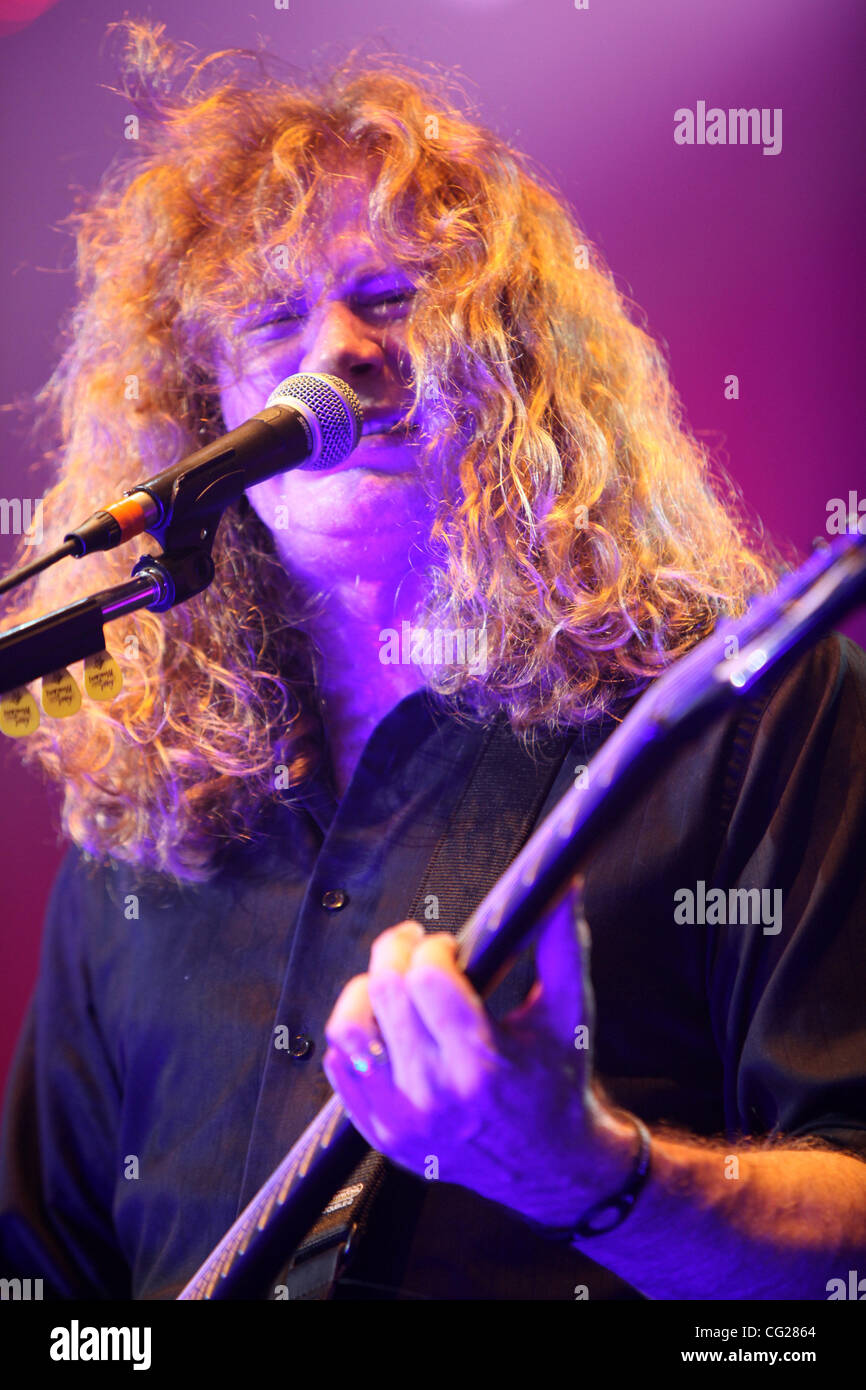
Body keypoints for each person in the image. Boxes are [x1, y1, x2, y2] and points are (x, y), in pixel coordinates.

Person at [1, 22, 865, 1302]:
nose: (334, 352)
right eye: (270, 317)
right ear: (207, 414)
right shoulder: (146, 810)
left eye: (392, 298)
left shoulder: (744, 716)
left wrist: (580, 1171)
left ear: (515, 365)